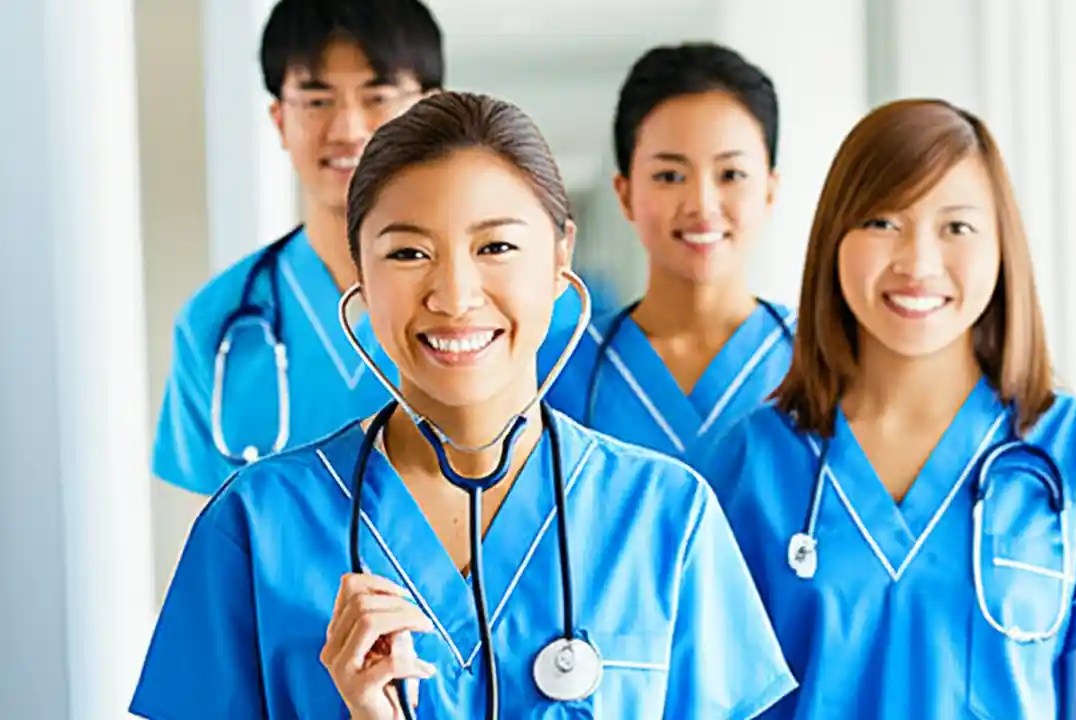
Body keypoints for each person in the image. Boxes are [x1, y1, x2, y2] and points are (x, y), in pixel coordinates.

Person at [130, 92, 796, 719]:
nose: (453, 295)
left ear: (561, 255)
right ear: (360, 270)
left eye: (496, 247)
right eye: (409, 252)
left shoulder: (666, 517)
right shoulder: (258, 525)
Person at [691, 99, 1076, 719]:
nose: (918, 264)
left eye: (957, 228)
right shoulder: (749, 463)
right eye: (882, 223)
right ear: (833, 239)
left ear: (1003, 249)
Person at [151, 0, 444, 494]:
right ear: (279, 119)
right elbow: (209, 545)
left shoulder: (512, 311)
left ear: (431, 112)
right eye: (316, 100)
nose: (349, 130)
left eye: (378, 96)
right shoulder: (214, 323)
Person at [541, 42, 794, 461]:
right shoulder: (557, 368)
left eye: (731, 174)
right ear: (625, 194)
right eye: (670, 175)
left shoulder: (828, 363)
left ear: (769, 190)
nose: (702, 205)